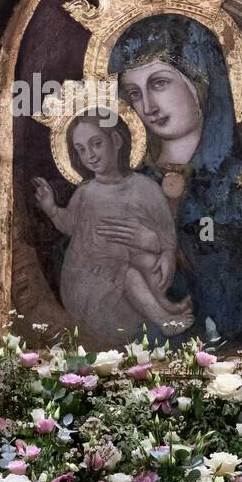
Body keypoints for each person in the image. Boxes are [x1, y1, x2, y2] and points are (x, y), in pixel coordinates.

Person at [105, 14, 242, 346]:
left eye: (160, 83)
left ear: (201, 82)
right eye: (134, 93)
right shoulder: (127, 186)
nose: (148, 106)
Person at [32, 111, 193, 342]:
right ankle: (163, 319)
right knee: (129, 274)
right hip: (88, 281)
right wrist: (52, 208)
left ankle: (166, 306)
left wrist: (167, 253)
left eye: (96, 144)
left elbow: (166, 230)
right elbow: (68, 225)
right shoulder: (86, 192)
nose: (90, 155)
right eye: (81, 149)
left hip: (121, 268)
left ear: (116, 141)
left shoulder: (146, 188)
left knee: (148, 263)